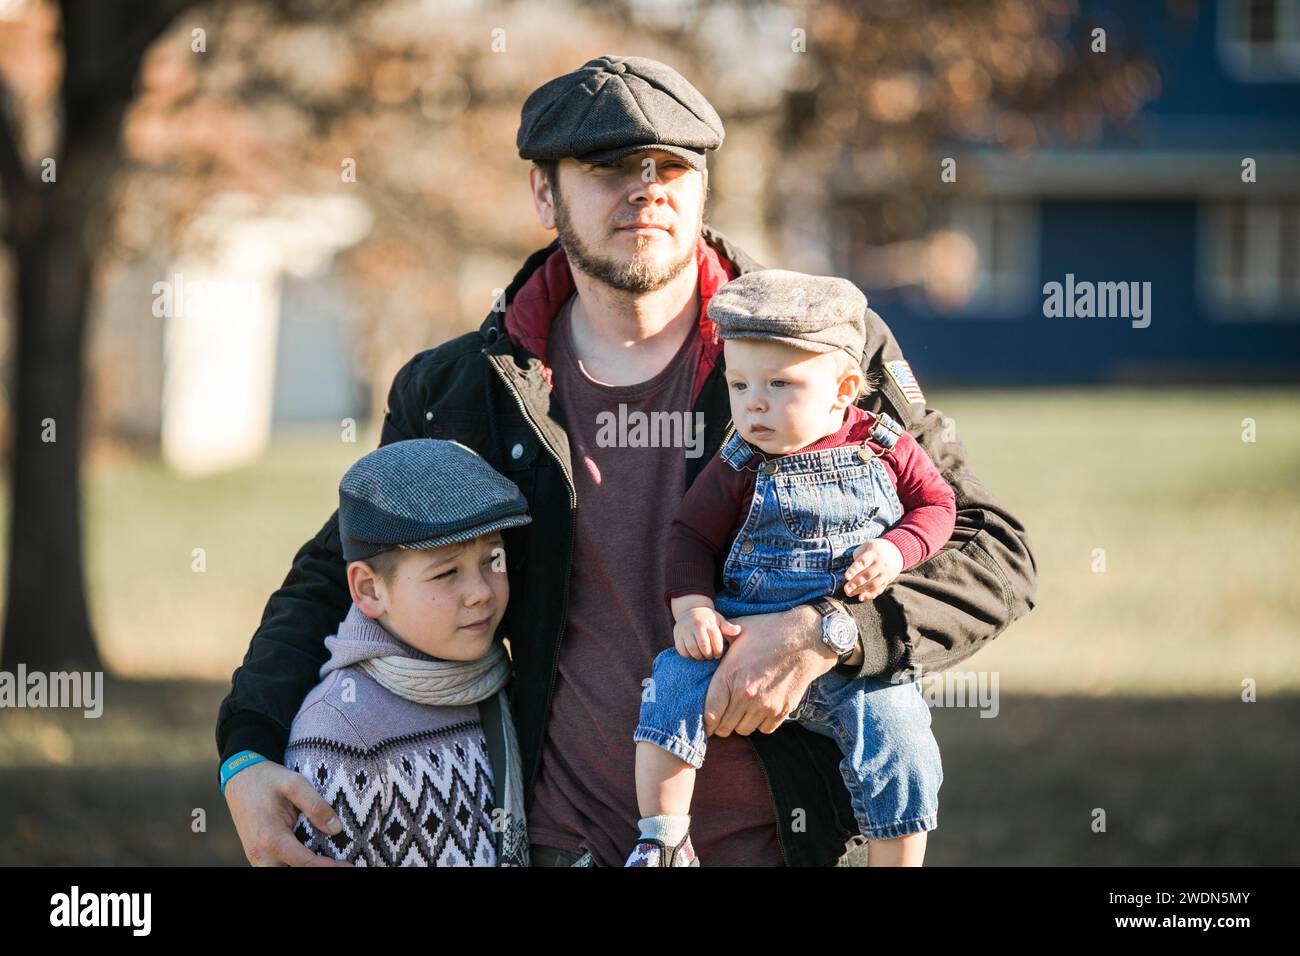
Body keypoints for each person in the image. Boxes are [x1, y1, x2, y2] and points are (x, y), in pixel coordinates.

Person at [216, 54, 1037, 868]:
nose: (647, 189)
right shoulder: (463, 389)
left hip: (782, 847)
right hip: (556, 845)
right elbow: (344, 570)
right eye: (611, 168)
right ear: (545, 193)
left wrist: (830, 633)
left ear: (702, 188)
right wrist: (246, 754)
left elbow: (993, 551)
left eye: (672, 167)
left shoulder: (818, 349)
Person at [627, 270, 955, 867]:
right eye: (739, 383)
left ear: (844, 389)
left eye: (780, 384)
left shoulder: (886, 447)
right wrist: (693, 606)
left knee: (901, 735)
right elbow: (690, 535)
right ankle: (664, 837)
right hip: (740, 627)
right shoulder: (738, 462)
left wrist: (897, 549)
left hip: (854, 655)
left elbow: (939, 506)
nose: (753, 402)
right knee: (672, 682)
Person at [239, 439, 532, 866]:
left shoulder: (495, 684)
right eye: (447, 571)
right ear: (369, 589)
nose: (481, 593)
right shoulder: (342, 737)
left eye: (494, 560)